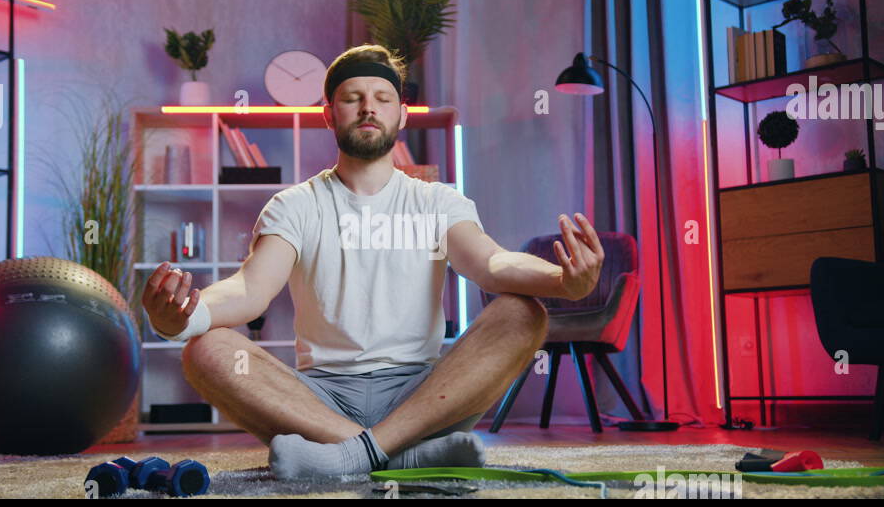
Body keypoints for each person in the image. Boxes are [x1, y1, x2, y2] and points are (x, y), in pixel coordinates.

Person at [142, 44, 605, 480]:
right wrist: (184, 314)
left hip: (423, 397)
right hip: (318, 401)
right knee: (205, 349)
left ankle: (352, 455)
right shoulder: (294, 205)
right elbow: (249, 290)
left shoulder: (438, 201)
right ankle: (400, 455)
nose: (368, 108)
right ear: (328, 114)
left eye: (383, 98)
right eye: (353, 98)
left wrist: (565, 280)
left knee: (522, 312)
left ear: (401, 114)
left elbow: (492, 265)